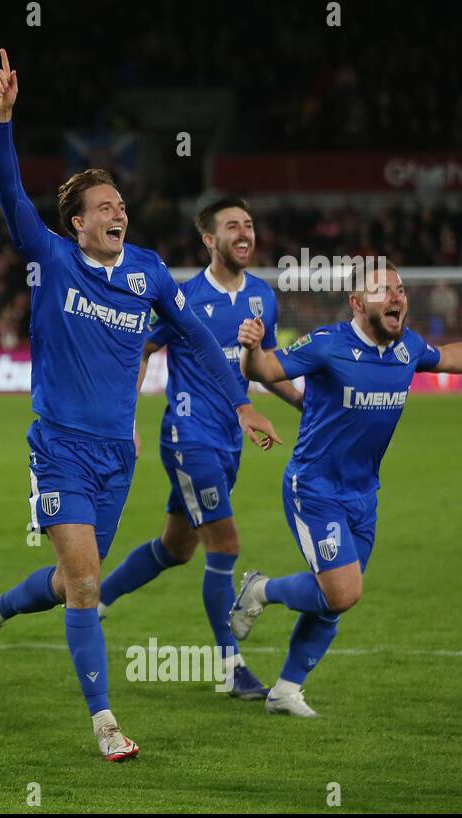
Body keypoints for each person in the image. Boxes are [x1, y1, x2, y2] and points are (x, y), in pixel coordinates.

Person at [0, 50, 280, 762]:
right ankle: (105, 721)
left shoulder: (145, 273)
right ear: (75, 224)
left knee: (77, 582)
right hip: (59, 446)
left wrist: (238, 403)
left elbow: (197, 337)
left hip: (116, 454)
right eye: (104, 208)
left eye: (121, 205)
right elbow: (10, 191)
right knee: (83, 586)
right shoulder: (51, 258)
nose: (118, 213)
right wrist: (3, 119)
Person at [233, 263, 462, 716]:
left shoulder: (407, 348)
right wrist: (251, 350)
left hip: (363, 494)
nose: (396, 297)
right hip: (314, 488)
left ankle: (285, 690)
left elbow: (452, 356)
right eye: (383, 290)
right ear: (357, 304)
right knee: (343, 591)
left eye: (400, 289)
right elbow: (267, 369)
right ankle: (261, 590)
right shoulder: (328, 344)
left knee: (335, 602)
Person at [99, 197, 304, 699]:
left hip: (230, 439)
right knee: (226, 546)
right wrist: (126, 417)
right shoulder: (184, 298)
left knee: (176, 548)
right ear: (209, 239)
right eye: (232, 226)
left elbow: (267, 365)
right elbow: (144, 345)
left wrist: (304, 405)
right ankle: (231, 668)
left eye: (250, 225)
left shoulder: (262, 297)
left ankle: (95, 598)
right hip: (189, 439)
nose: (244, 233)